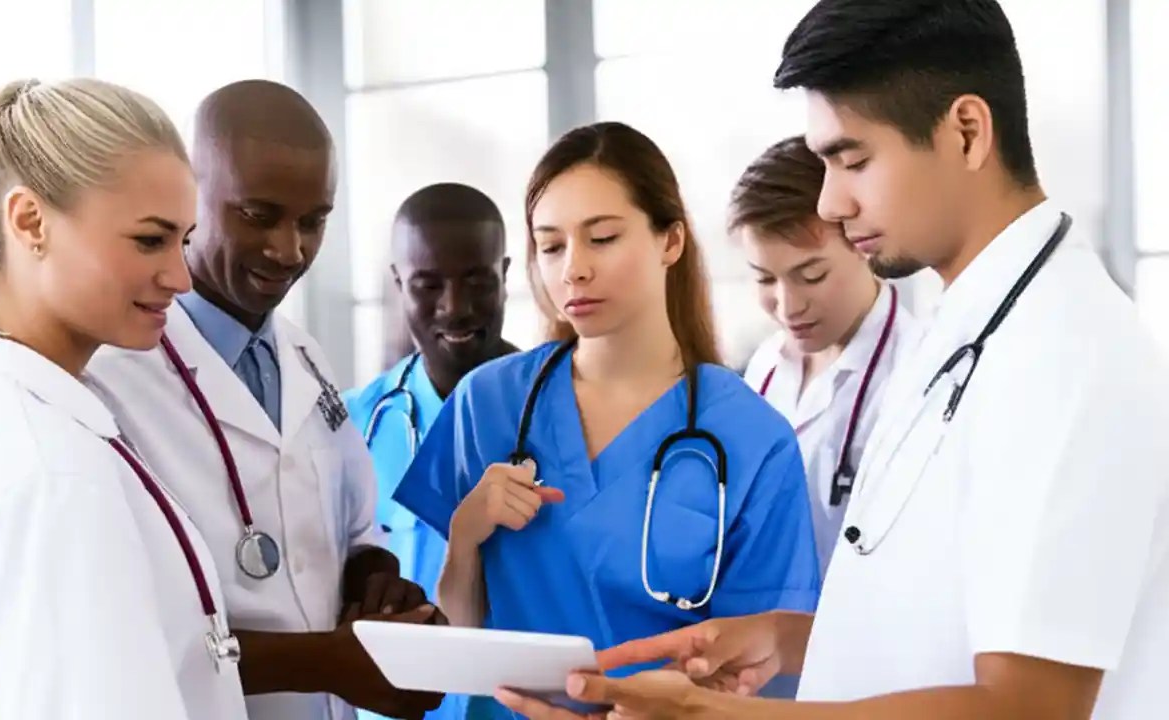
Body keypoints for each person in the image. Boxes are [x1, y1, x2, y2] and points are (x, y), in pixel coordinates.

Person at [497, 1, 1169, 718]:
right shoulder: (965, 322)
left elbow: (1031, 706)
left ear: (967, 132)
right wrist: (788, 641)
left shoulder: (1063, 351)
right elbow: (935, 621)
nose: (832, 202)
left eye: (853, 160)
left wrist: (715, 716)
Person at [392, 121, 822, 719]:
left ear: (670, 240)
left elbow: (758, 672)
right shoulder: (487, 404)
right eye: (551, 245)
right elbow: (458, 638)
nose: (573, 270)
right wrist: (465, 537)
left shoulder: (752, 439)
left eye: (602, 238)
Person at [85, 80, 442, 720]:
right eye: (259, 215)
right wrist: (326, 662)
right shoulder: (108, 376)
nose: (291, 250)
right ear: (191, 195)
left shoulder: (304, 356)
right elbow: (119, 633)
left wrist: (377, 586)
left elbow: (357, 529)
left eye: (314, 221)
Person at [0, 78, 247, 719]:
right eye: (150, 240)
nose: (180, 276)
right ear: (30, 221)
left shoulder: (28, 423)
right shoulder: (49, 469)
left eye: (184, 241)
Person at [344, 182, 517, 720]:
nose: (456, 307)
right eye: (428, 284)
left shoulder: (563, 412)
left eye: (477, 281)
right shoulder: (349, 424)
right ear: (398, 283)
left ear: (505, 275)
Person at [733, 136, 914, 578]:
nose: (787, 306)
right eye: (764, 279)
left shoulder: (914, 373)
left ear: (862, 243)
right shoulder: (766, 365)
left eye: (810, 276)